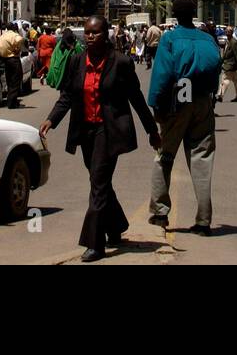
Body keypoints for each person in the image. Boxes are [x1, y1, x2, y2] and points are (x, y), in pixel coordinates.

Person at [40, 16, 159, 262]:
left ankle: (94, 244)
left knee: (98, 185)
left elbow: (136, 98)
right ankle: (115, 226)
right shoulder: (76, 61)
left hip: (109, 131)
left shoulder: (121, 63)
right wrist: (52, 119)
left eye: (95, 32)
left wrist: (151, 130)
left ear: (106, 35)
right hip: (86, 132)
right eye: (87, 33)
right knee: (98, 180)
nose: (90, 36)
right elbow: (68, 96)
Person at [147, 0, 221, 235]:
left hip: (179, 98)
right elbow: (216, 69)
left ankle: (160, 211)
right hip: (203, 101)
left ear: (175, 15)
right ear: (193, 15)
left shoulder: (169, 38)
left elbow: (162, 74)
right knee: (202, 158)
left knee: (165, 154)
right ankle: (204, 220)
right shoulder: (208, 39)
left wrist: (156, 105)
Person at [0, 25, 26, 108]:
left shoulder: (2, 37)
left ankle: (11, 101)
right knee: (16, 80)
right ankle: (12, 103)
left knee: (9, 81)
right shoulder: (14, 35)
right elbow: (20, 39)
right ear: (15, 29)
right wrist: (17, 47)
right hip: (14, 59)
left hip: (6, 61)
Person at [217, 28, 237, 103]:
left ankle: (220, 95)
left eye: (229, 32)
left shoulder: (233, 42)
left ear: (232, 33)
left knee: (225, 80)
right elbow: (225, 53)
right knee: (236, 81)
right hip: (230, 65)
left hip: (230, 65)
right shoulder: (228, 41)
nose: (227, 33)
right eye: (226, 31)